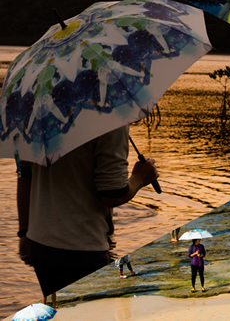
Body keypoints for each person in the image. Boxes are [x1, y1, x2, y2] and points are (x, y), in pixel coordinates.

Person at [17, 125, 158, 305]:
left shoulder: (34, 112)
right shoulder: (111, 118)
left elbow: (24, 175)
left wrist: (24, 232)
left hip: (39, 245)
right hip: (82, 250)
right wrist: (139, 178)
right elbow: (112, 193)